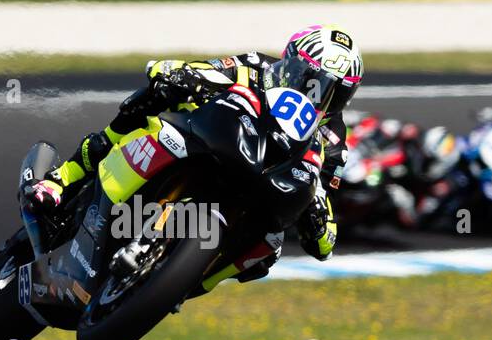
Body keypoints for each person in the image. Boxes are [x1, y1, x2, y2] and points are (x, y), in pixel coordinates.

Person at [22, 24, 363, 275]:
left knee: (268, 250)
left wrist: (319, 219)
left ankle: (178, 285)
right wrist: (180, 74)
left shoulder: (334, 138)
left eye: (335, 92)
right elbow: (211, 69)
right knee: (151, 101)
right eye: (311, 80)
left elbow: (325, 236)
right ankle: (61, 179)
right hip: (218, 138)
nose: (317, 95)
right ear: (291, 63)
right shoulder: (258, 66)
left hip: (261, 187)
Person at [346, 117, 463, 229]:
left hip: (385, 186)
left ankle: (347, 216)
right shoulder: (414, 134)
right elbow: (390, 127)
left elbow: (414, 219)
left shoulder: (436, 185)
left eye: (429, 159)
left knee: (370, 196)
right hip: (369, 156)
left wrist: (404, 202)